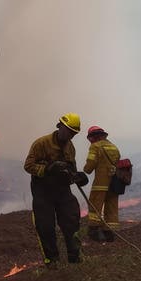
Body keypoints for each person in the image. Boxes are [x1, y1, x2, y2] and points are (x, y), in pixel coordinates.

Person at [24, 114, 85, 265]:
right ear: (60, 126)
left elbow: (70, 170)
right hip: (43, 192)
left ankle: (74, 258)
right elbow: (28, 166)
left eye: (74, 133)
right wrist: (48, 169)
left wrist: (77, 177)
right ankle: (52, 260)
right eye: (69, 131)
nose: (70, 135)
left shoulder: (70, 147)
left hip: (63, 192)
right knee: (45, 226)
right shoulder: (41, 143)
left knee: (72, 220)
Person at [83, 125, 121, 242]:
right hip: (114, 184)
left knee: (95, 205)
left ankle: (95, 232)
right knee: (112, 208)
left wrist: (85, 170)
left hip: (100, 184)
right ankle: (109, 233)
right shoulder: (114, 147)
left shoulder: (95, 147)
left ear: (93, 137)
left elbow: (90, 165)